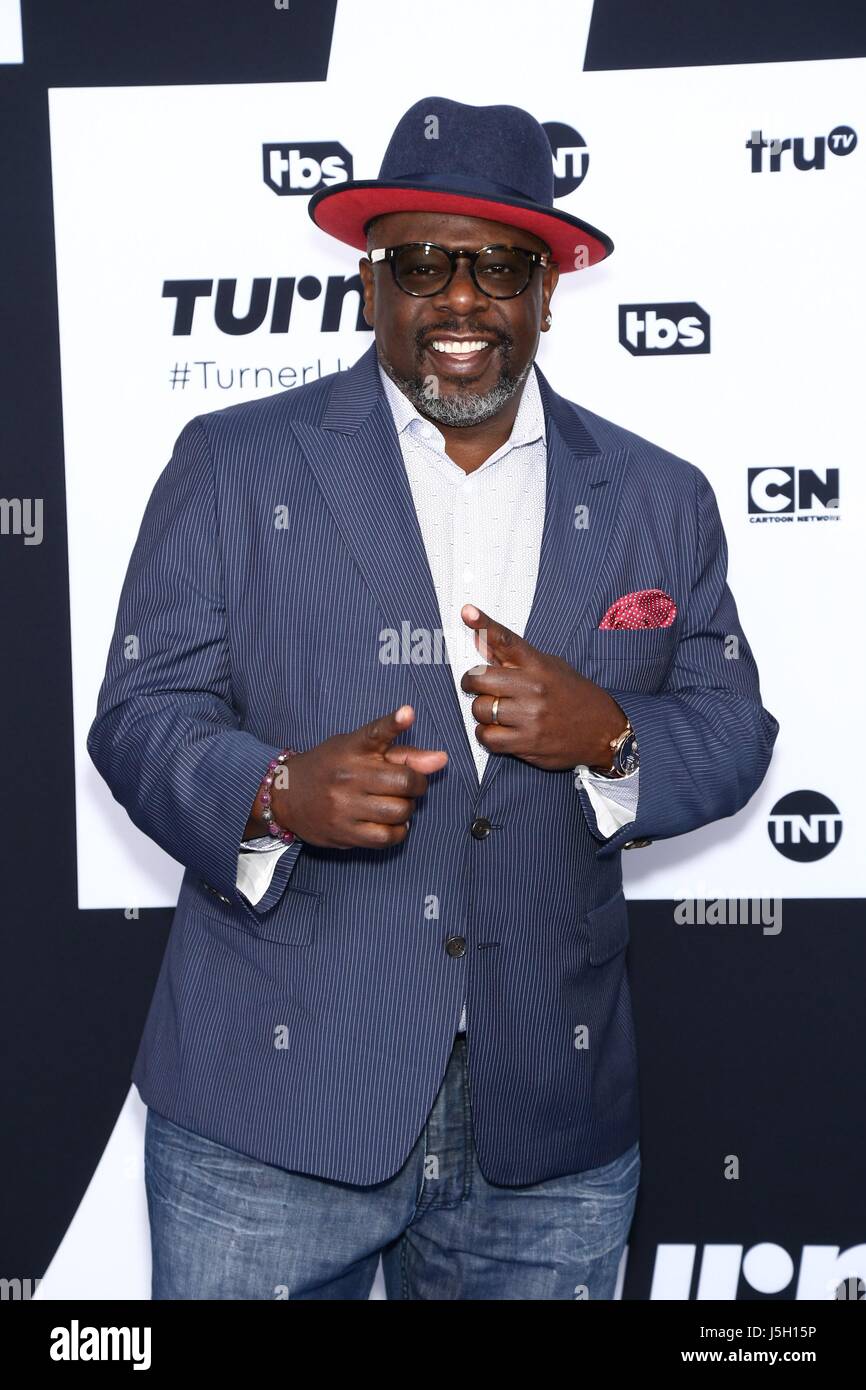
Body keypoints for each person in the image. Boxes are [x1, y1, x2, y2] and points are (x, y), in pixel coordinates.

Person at [88, 96, 779, 1300]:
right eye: (420, 263)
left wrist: (608, 735)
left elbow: (728, 728)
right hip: (272, 1109)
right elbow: (141, 711)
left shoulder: (656, 500)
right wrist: (274, 791)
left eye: (499, 265)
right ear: (369, 288)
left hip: (543, 1133)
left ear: (548, 291)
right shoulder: (236, 465)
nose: (459, 298)